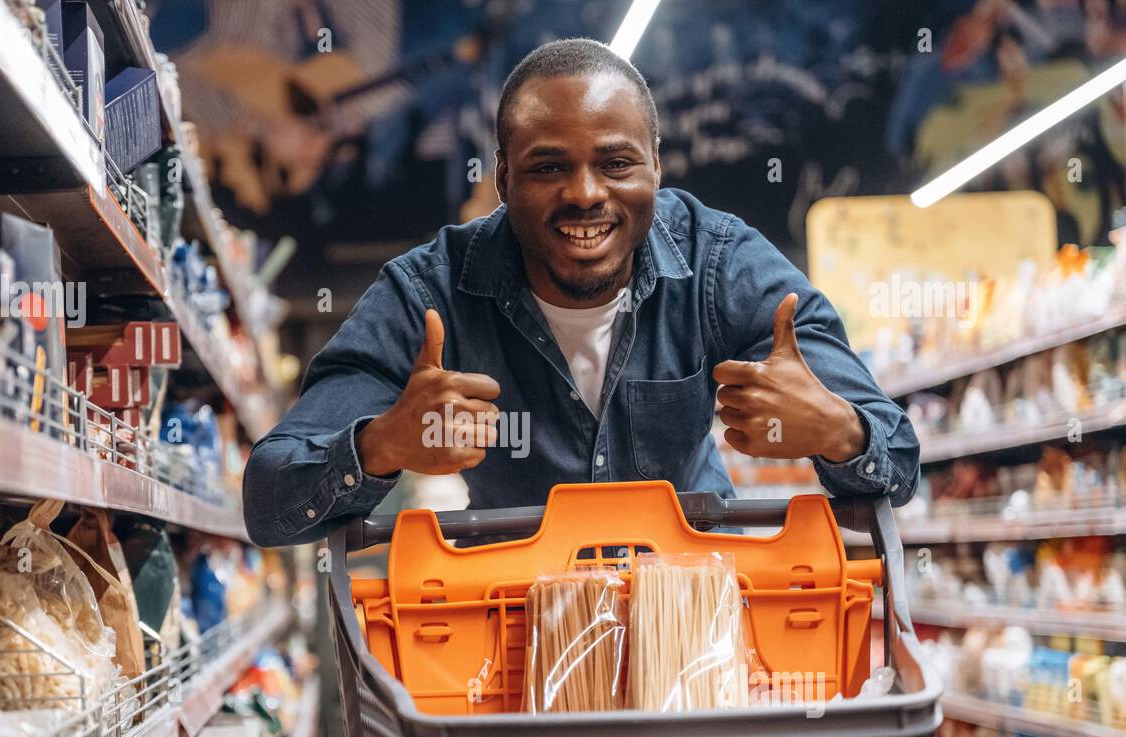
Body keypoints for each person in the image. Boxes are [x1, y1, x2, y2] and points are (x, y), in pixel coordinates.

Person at [243, 38, 919, 547]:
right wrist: (380, 445)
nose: (586, 194)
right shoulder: (429, 294)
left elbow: (898, 458)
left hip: (693, 622)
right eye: (549, 167)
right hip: (517, 629)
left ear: (656, 166)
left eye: (617, 163)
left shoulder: (722, 265)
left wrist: (839, 432)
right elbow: (270, 497)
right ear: (503, 178)